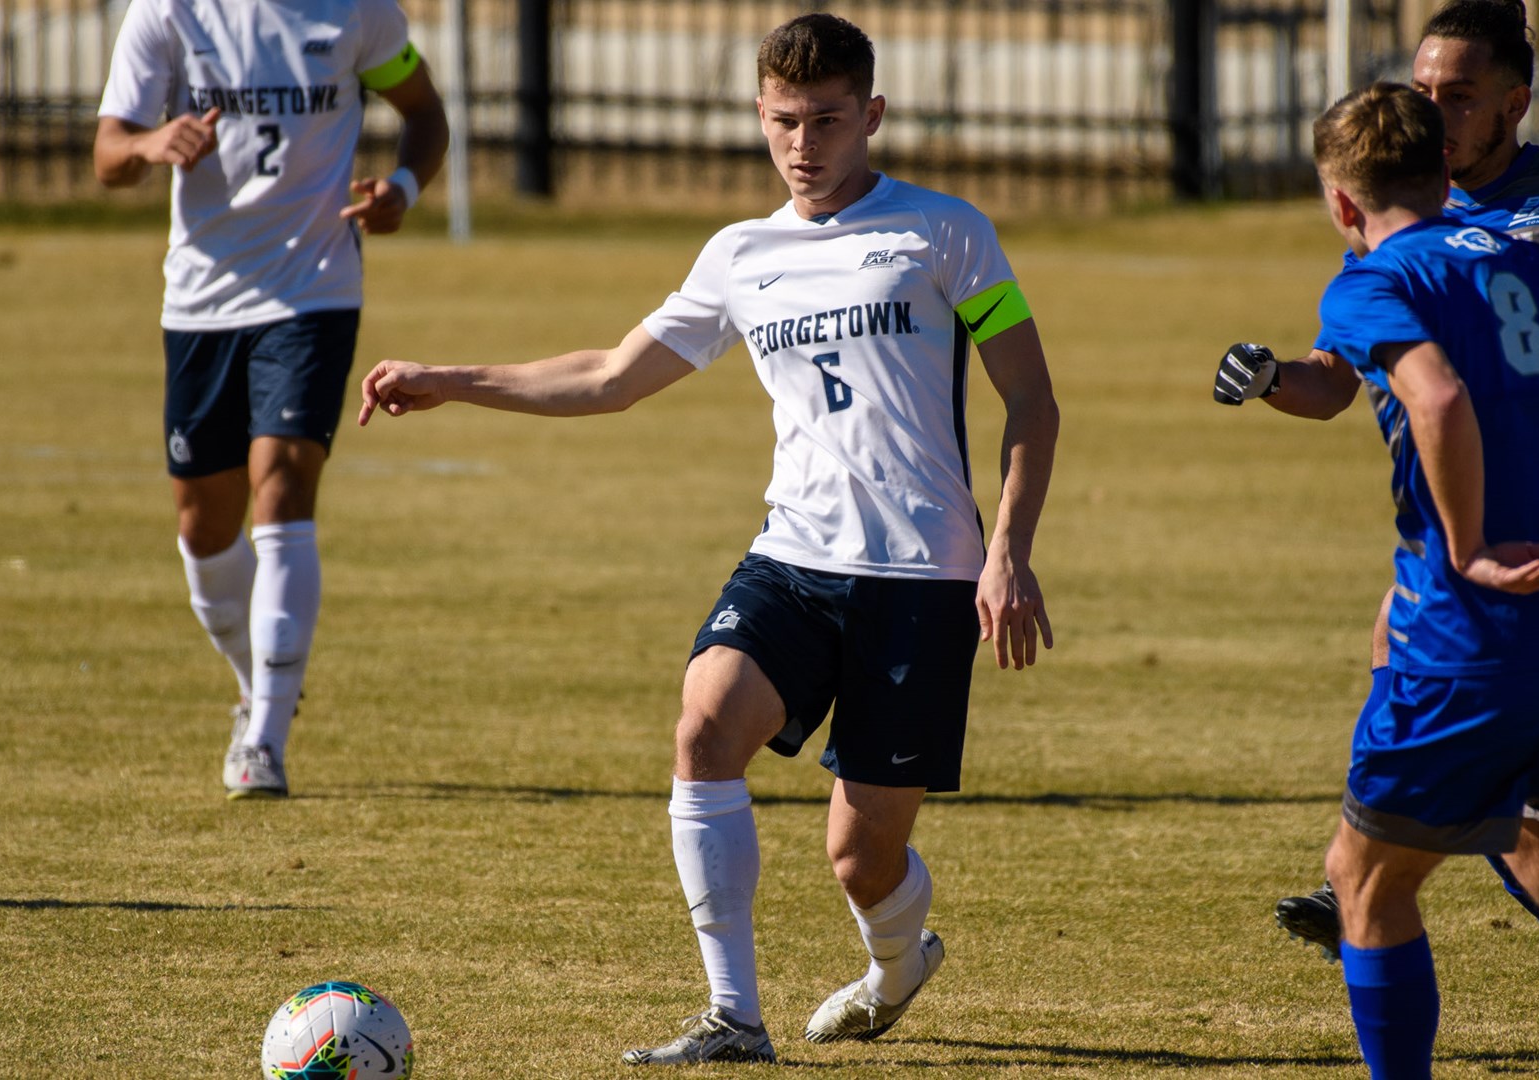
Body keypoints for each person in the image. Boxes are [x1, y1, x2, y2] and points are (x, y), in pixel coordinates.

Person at [358, 13, 1057, 1065]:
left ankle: (896, 961)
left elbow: (1032, 403)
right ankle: (733, 1017)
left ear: (870, 116)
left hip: (919, 573)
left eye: (826, 120)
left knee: (860, 859)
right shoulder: (740, 254)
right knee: (702, 725)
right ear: (758, 120)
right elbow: (609, 377)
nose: (803, 145)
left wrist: (1006, 548)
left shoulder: (944, 233)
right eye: (783, 121)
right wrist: (451, 382)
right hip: (792, 557)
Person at [1212, 0, 1539, 1046]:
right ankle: (1391, 883)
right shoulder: (1398, 224)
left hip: (1530, 539)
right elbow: (1339, 379)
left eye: (1456, 93)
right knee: (1525, 823)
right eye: (1421, 89)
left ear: (1515, 101)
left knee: (1487, 829)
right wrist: (1272, 376)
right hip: (1482, 555)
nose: (1432, 109)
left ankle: (1369, 879)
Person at [94, 0, 447, 798]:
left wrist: (401, 188)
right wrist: (152, 142)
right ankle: (258, 681)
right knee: (202, 526)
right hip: (201, 302)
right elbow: (107, 154)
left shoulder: (357, 14)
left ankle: (265, 739)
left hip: (315, 289)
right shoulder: (170, 14)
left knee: (282, 481)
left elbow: (423, 110)